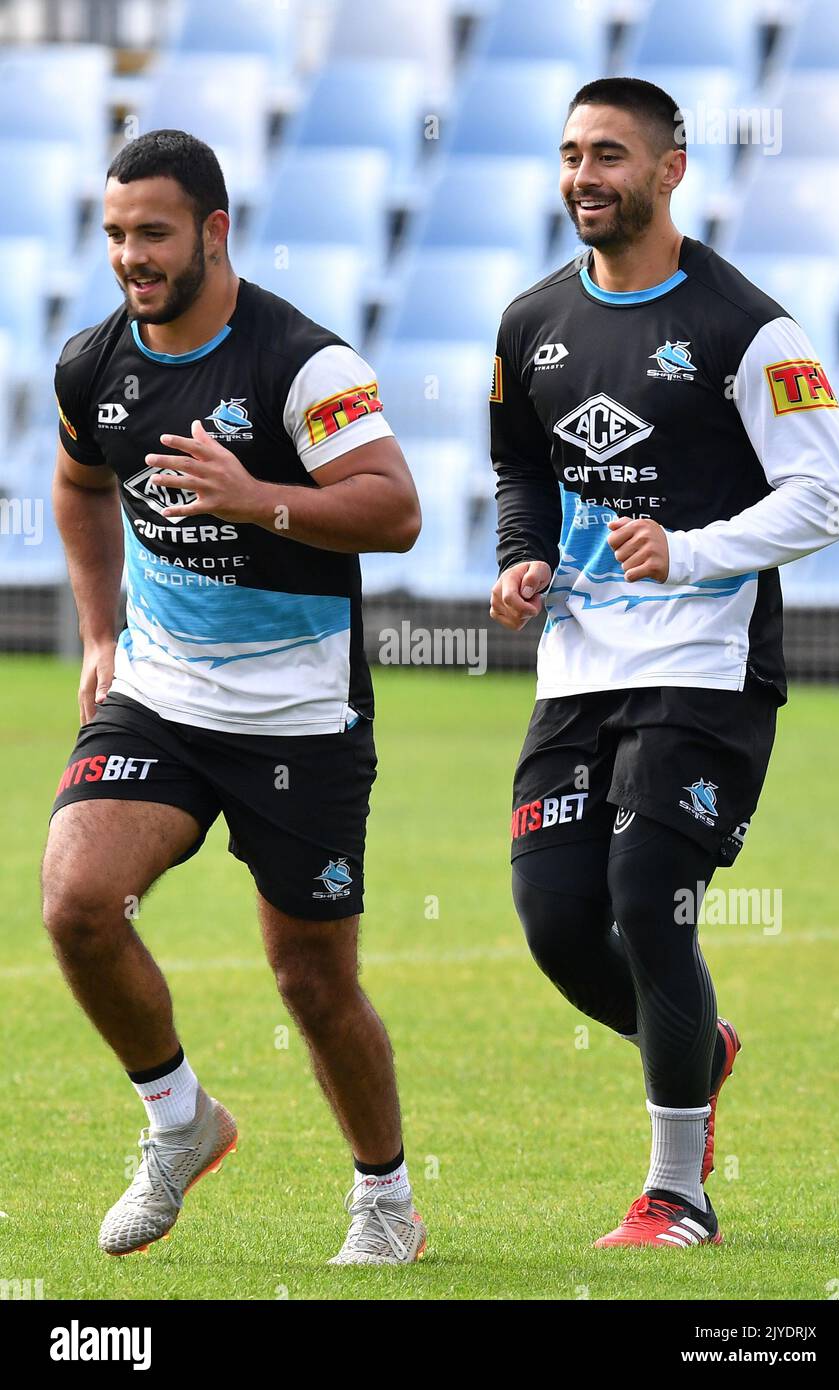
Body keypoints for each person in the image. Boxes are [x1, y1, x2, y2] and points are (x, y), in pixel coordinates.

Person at [44, 129, 426, 1265]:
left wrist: (256, 498)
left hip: (299, 720)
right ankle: (180, 1123)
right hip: (159, 696)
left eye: (152, 231)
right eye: (114, 233)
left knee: (311, 982)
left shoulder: (303, 366)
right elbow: (75, 485)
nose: (129, 256)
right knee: (75, 904)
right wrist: (99, 632)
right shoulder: (93, 363)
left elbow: (394, 510)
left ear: (214, 229)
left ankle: (386, 1198)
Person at [489, 78, 839, 1247]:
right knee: (556, 922)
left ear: (668, 170)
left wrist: (691, 551)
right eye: (568, 154)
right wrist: (519, 560)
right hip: (579, 665)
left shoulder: (746, 329)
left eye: (608, 153)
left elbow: (827, 496)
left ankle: (675, 1191)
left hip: (705, 665)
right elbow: (522, 473)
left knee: (649, 898)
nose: (582, 175)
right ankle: (700, 1044)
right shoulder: (527, 322)